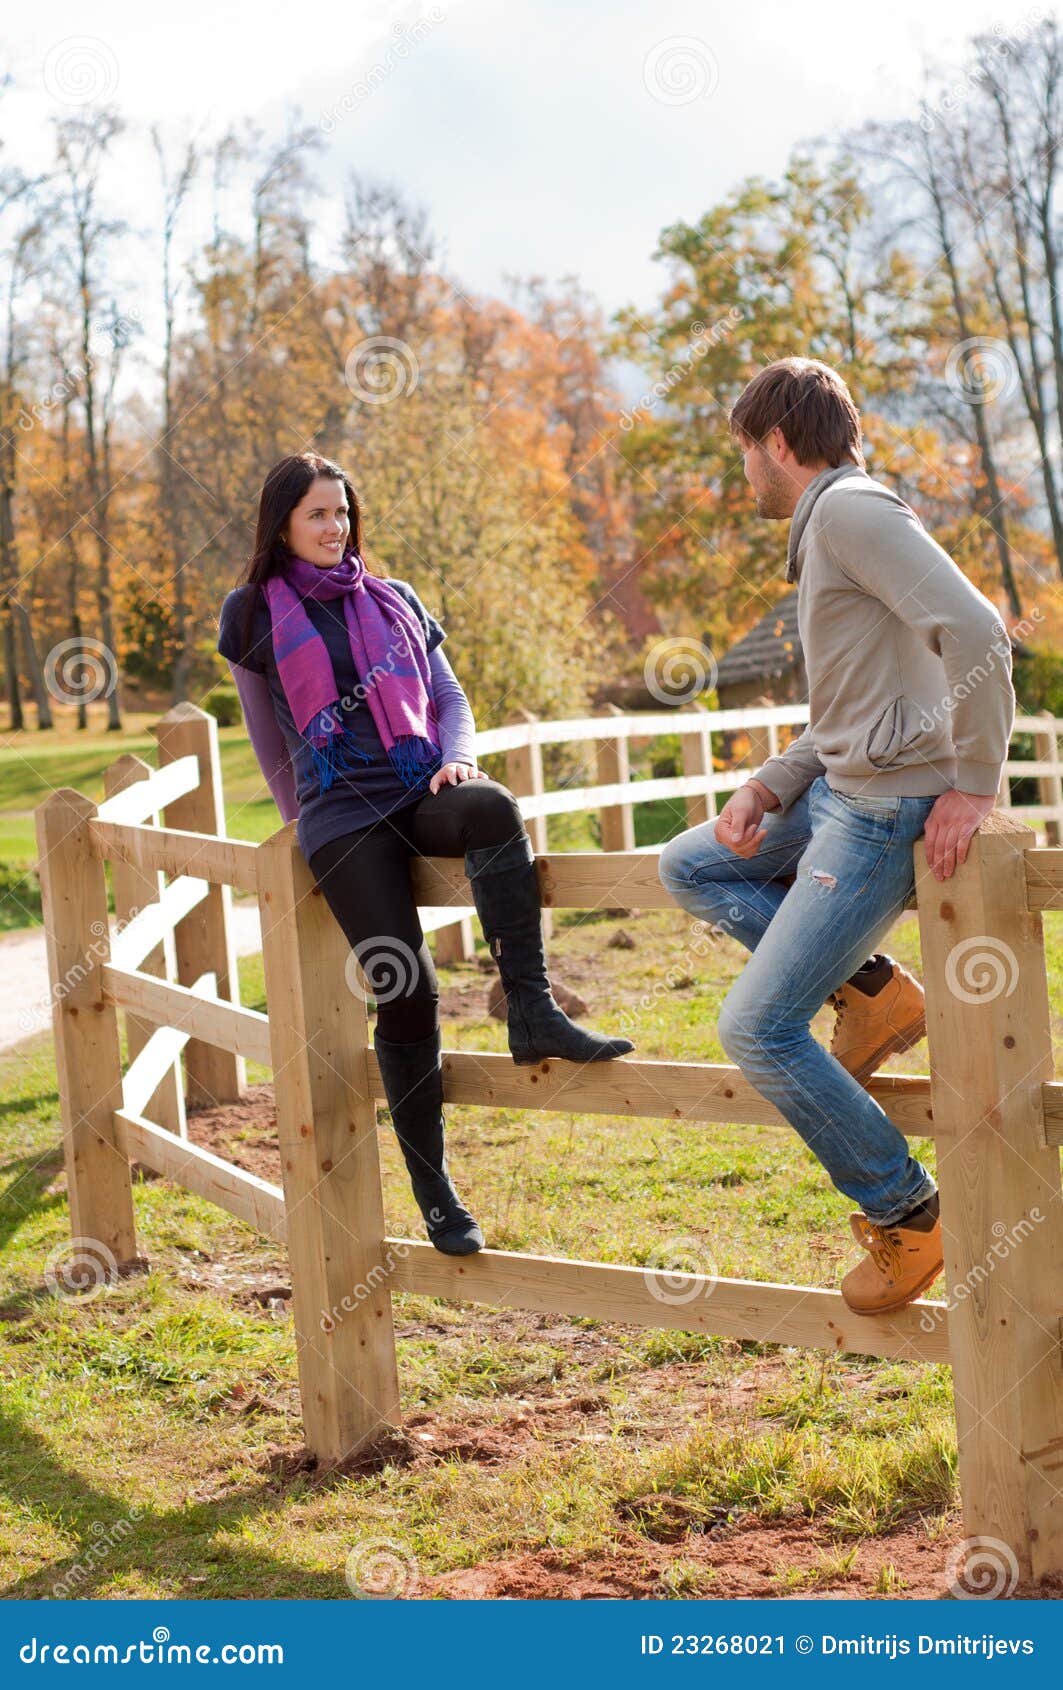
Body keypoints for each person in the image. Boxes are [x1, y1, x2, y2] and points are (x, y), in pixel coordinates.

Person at [659, 358, 1015, 1315]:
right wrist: (770, 784)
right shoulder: (831, 528)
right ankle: (873, 995)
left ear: (777, 444)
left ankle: (907, 1212)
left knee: (756, 1028)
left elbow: (978, 633)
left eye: (743, 453)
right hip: (838, 793)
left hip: (882, 814)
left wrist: (973, 786)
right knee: (688, 864)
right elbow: (859, 700)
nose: (744, 476)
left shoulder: (851, 513)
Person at [218, 451, 633, 1258]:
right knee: (407, 986)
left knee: (492, 809)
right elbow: (265, 732)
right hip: (342, 815)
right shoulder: (252, 610)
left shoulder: (394, 598)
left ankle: (532, 1009)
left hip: (418, 785)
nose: (335, 528)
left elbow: (448, 695)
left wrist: (458, 755)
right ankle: (435, 1190)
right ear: (283, 525)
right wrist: (297, 816)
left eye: (342, 512)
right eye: (317, 515)